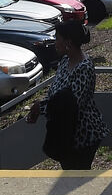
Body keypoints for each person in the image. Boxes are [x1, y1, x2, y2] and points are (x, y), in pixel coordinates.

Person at [37, 18, 106, 170]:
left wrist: (40, 108)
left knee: (76, 174)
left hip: (82, 136)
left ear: (68, 42)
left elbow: (71, 105)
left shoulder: (84, 67)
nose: (55, 42)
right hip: (66, 133)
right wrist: (42, 106)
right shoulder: (64, 62)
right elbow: (55, 95)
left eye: (58, 38)